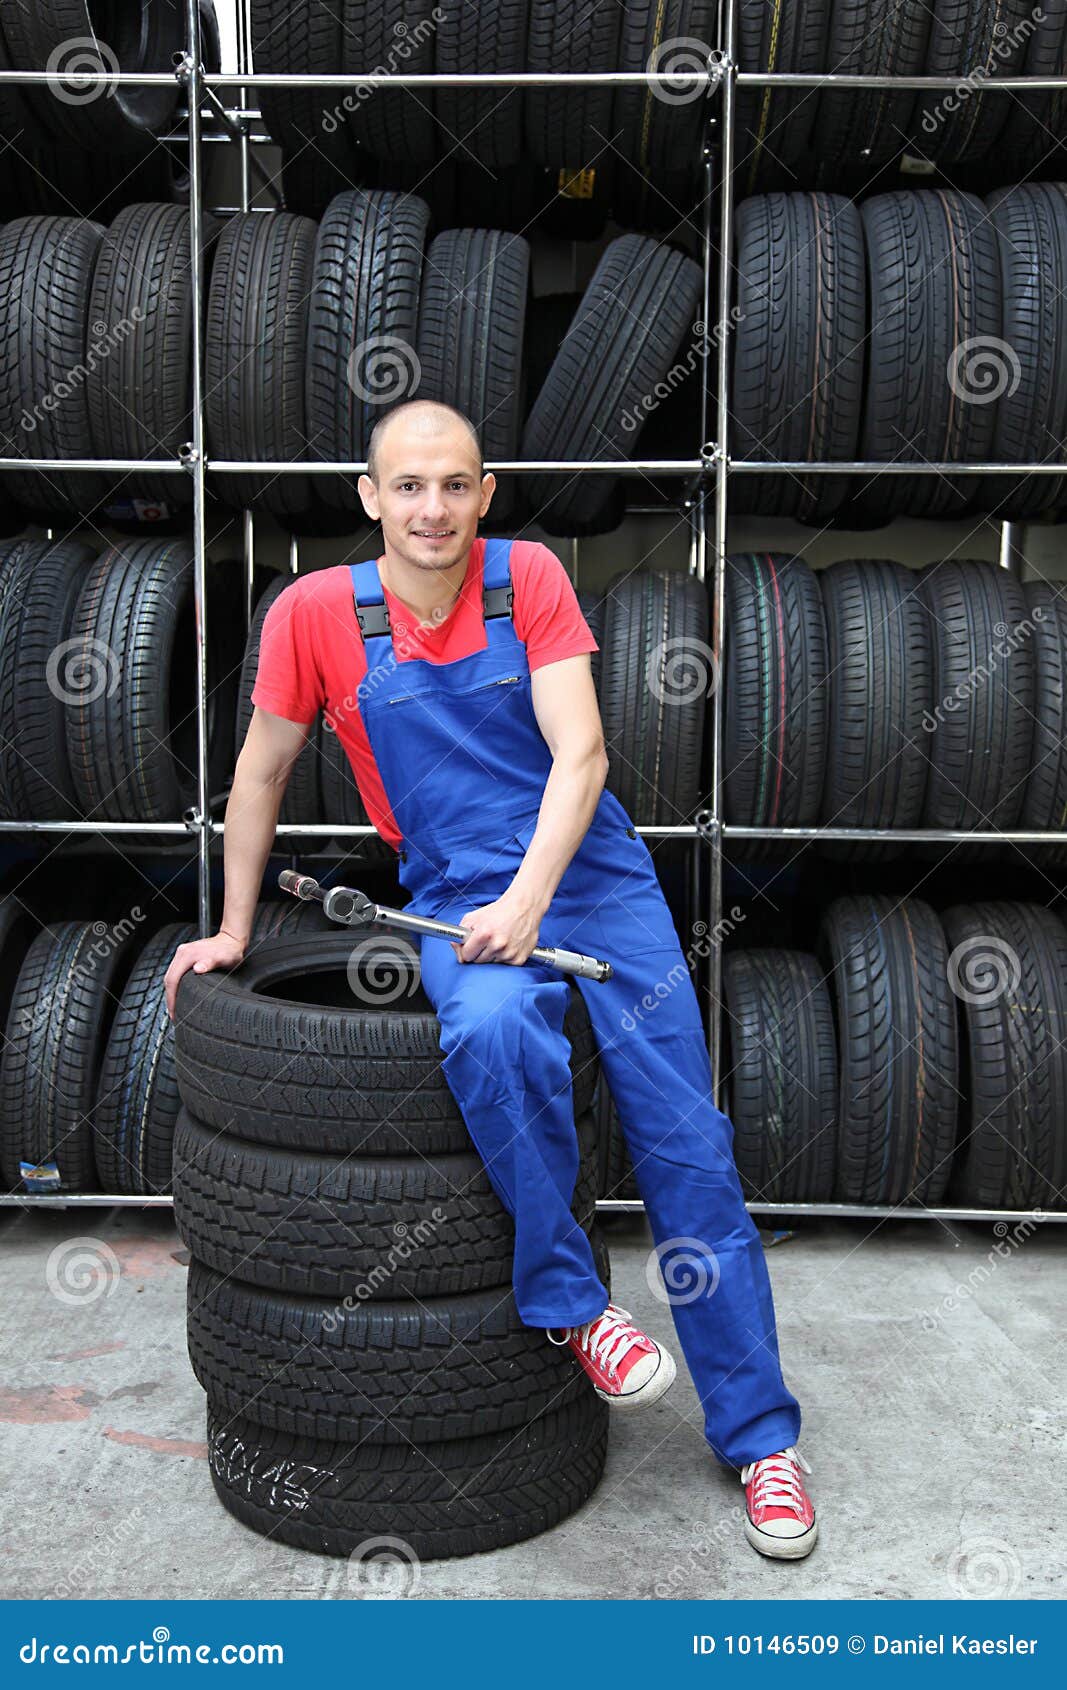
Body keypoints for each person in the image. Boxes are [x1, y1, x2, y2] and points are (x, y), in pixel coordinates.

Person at [164, 398, 816, 1561]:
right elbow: (258, 775)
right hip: (458, 889)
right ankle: (574, 1307)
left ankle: (760, 1437)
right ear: (369, 497)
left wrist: (531, 897)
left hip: (593, 878)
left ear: (486, 491)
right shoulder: (315, 613)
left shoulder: (529, 581)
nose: (432, 509)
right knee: (489, 1038)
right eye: (407, 486)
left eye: (454, 485)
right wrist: (230, 927)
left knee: (686, 1147)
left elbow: (583, 753)